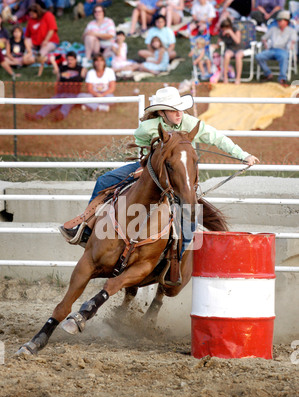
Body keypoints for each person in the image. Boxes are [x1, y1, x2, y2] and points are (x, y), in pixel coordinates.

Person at [59, 86, 259, 248]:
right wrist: (145, 167)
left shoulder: (190, 122)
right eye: (173, 110)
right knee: (105, 180)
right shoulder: (147, 128)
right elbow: (145, 154)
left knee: (188, 201)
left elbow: (218, 138)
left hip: (180, 172)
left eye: (180, 108)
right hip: (150, 168)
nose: (179, 113)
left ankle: (184, 249)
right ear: (161, 112)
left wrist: (243, 156)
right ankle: (85, 229)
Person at [25, 51, 86, 122]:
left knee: (67, 105)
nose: (70, 61)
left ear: (75, 60)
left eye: (72, 60)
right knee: (50, 103)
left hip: (72, 93)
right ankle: (38, 115)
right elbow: (58, 79)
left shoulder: (81, 69)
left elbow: (85, 77)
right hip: (61, 92)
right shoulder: (63, 68)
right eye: (68, 59)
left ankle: (60, 115)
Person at [255, 10, 297, 85]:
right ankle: (268, 74)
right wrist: (265, 44)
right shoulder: (273, 29)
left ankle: (282, 78)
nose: (278, 22)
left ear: (286, 21)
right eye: (278, 20)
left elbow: (294, 39)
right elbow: (264, 37)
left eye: (280, 20)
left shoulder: (291, 31)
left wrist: (291, 45)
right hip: (272, 50)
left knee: (284, 57)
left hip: (283, 50)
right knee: (258, 56)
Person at [24, 4, 59, 77]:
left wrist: (45, 41)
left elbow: (52, 30)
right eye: (30, 14)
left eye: (33, 14)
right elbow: (26, 36)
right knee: (26, 41)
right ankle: (29, 54)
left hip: (50, 41)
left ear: (38, 12)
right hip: (36, 42)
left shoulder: (48, 15)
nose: (31, 15)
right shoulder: (31, 20)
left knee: (42, 53)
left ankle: (34, 59)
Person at [218, 17, 243, 84]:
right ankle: (225, 77)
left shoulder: (236, 30)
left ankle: (238, 78)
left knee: (238, 56)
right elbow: (218, 43)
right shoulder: (222, 33)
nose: (223, 30)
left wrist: (231, 33)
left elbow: (237, 41)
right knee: (226, 55)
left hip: (239, 48)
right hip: (230, 48)